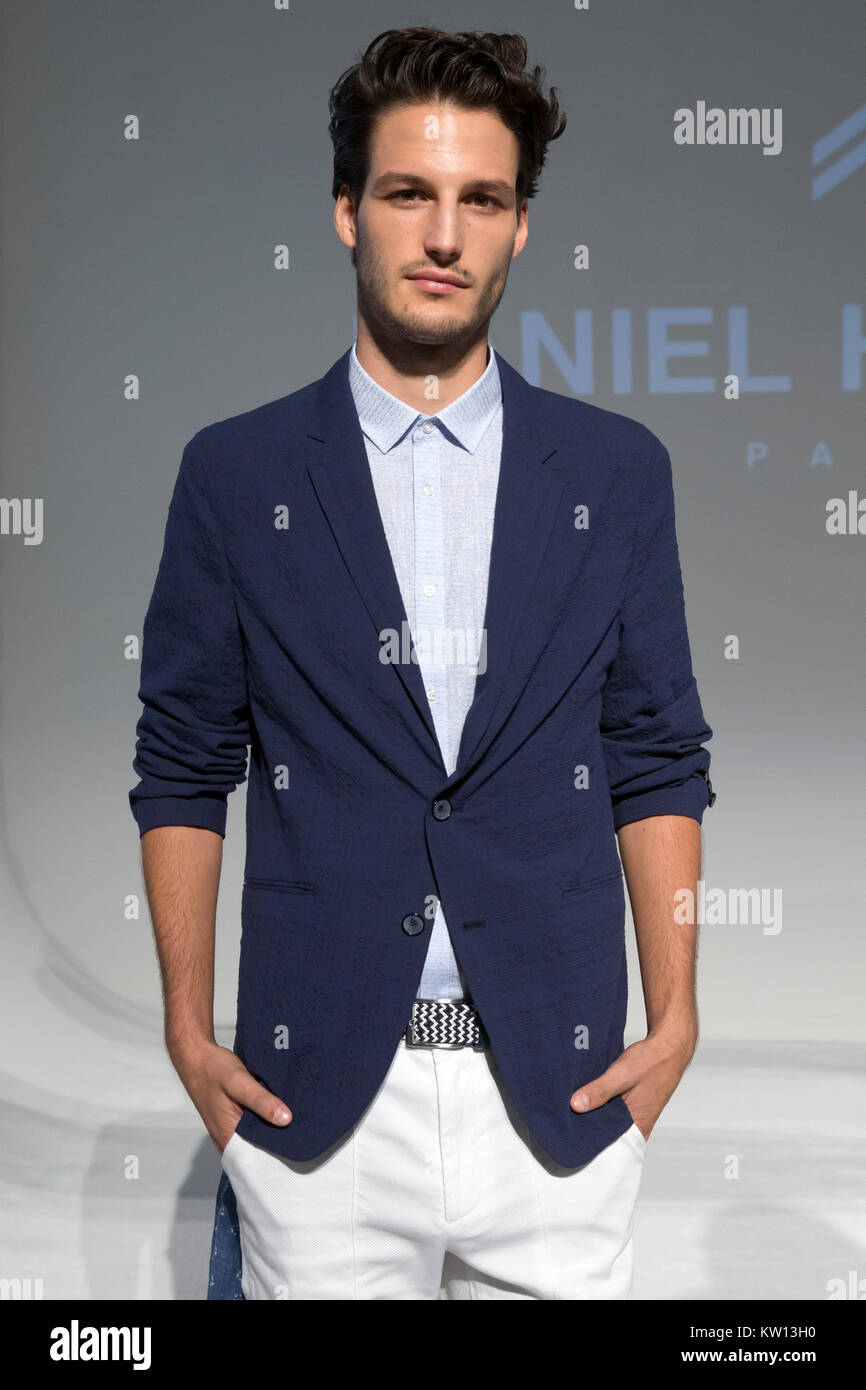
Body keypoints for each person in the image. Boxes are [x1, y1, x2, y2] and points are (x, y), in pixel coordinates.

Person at [129, 26, 715, 1301]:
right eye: (408, 192)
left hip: (554, 1103)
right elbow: (181, 764)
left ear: (517, 229)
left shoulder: (615, 475)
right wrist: (187, 1033)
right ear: (346, 212)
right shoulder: (235, 476)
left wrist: (671, 1025)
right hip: (322, 1104)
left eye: (480, 200)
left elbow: (656, 754)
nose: (443, 233)